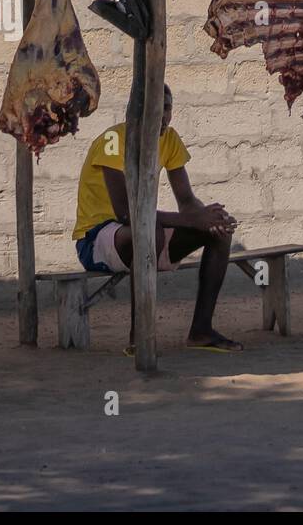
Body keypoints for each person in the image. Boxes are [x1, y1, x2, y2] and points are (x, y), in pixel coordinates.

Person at [72, 84, 242, 353]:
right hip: (96, 238)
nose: (163, 115)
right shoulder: (113, 141)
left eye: (167, 108)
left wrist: (206, 218)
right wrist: (192, 220)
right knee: (149, 230)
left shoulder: (169, 139)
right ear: (135, 110)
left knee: (218, 234)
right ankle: (138, 338)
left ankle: (201, 331)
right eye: (156, 107)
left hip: (143, 231)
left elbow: (186, 202)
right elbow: (126, 213)